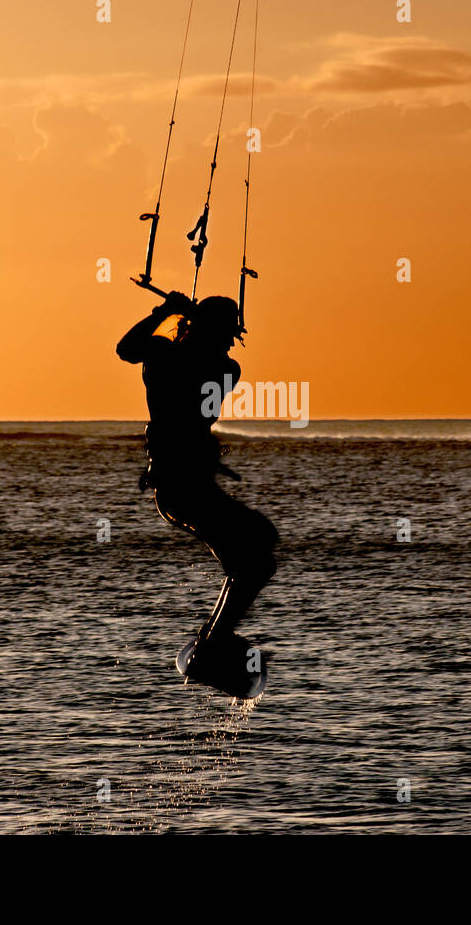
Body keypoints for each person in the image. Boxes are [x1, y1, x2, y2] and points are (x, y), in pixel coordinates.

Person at [116, 291, 277, 681]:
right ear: (203, 330)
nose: (228, 343)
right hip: (179, 486)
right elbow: (125, 349)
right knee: (256, 555)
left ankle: (213, 640)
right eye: (224, 334)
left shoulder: (202, 363)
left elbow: (147, 352)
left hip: (192, 486)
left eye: (230, 336)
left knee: (258, 552)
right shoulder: (167, 358)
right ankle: (213, 643)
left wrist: (171, 315)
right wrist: (167, 312)